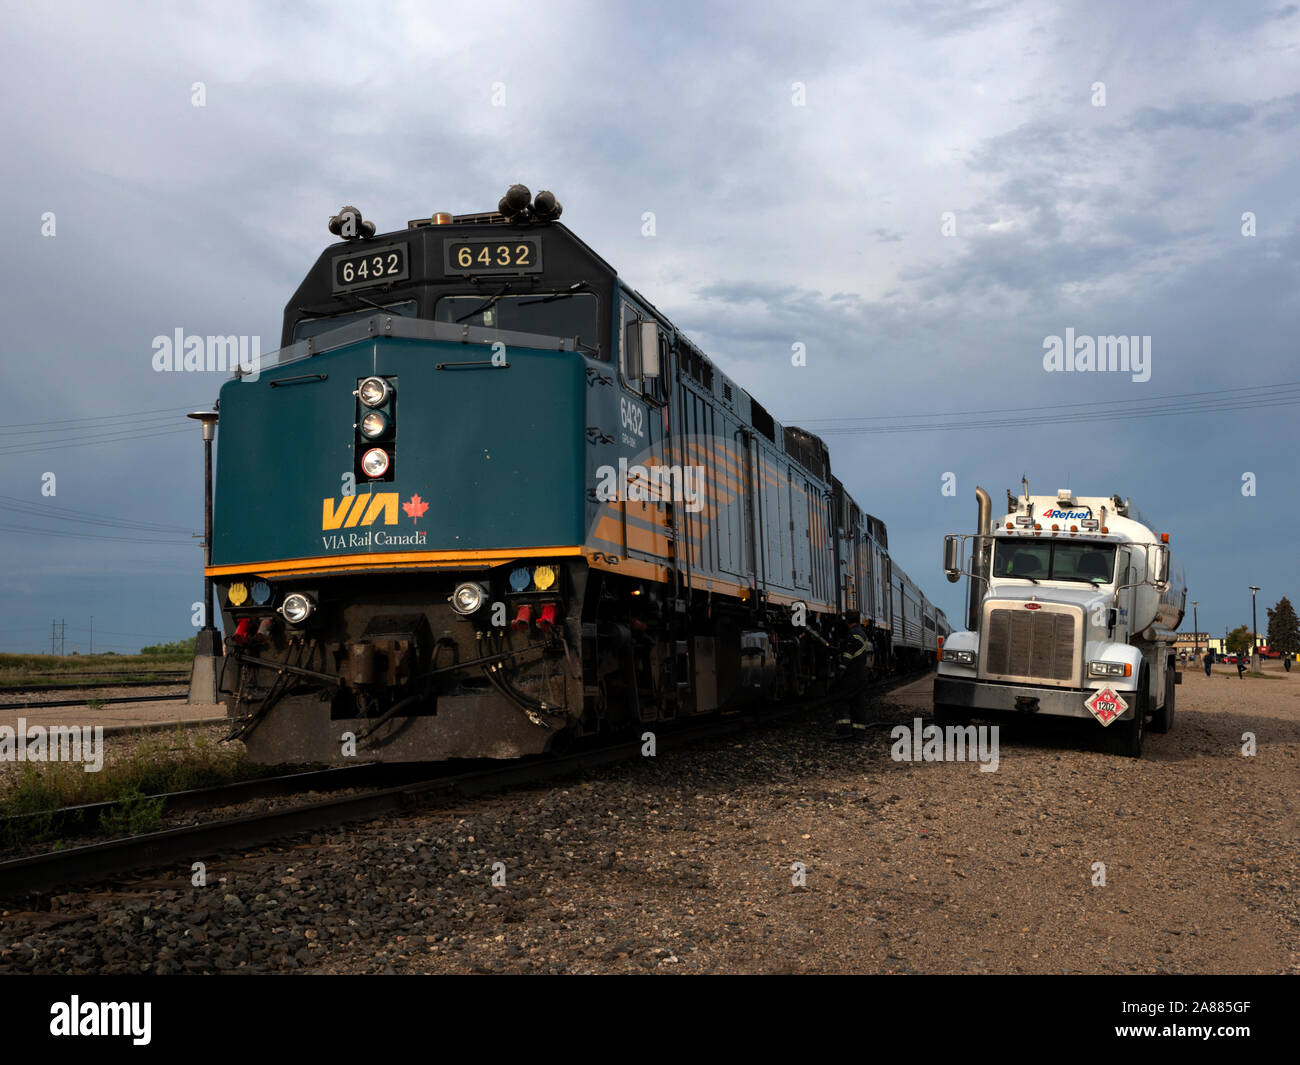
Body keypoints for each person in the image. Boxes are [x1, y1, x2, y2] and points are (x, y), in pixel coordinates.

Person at [831, 609, 873, 740]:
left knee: (841, 700)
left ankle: (844, 732)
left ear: (847, 620)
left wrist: (841, 670)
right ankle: (859, 733)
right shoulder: (862, 633)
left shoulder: (853, 634)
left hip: (851, 675)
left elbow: (848, 654)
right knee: (859, 704)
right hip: (861, 675)